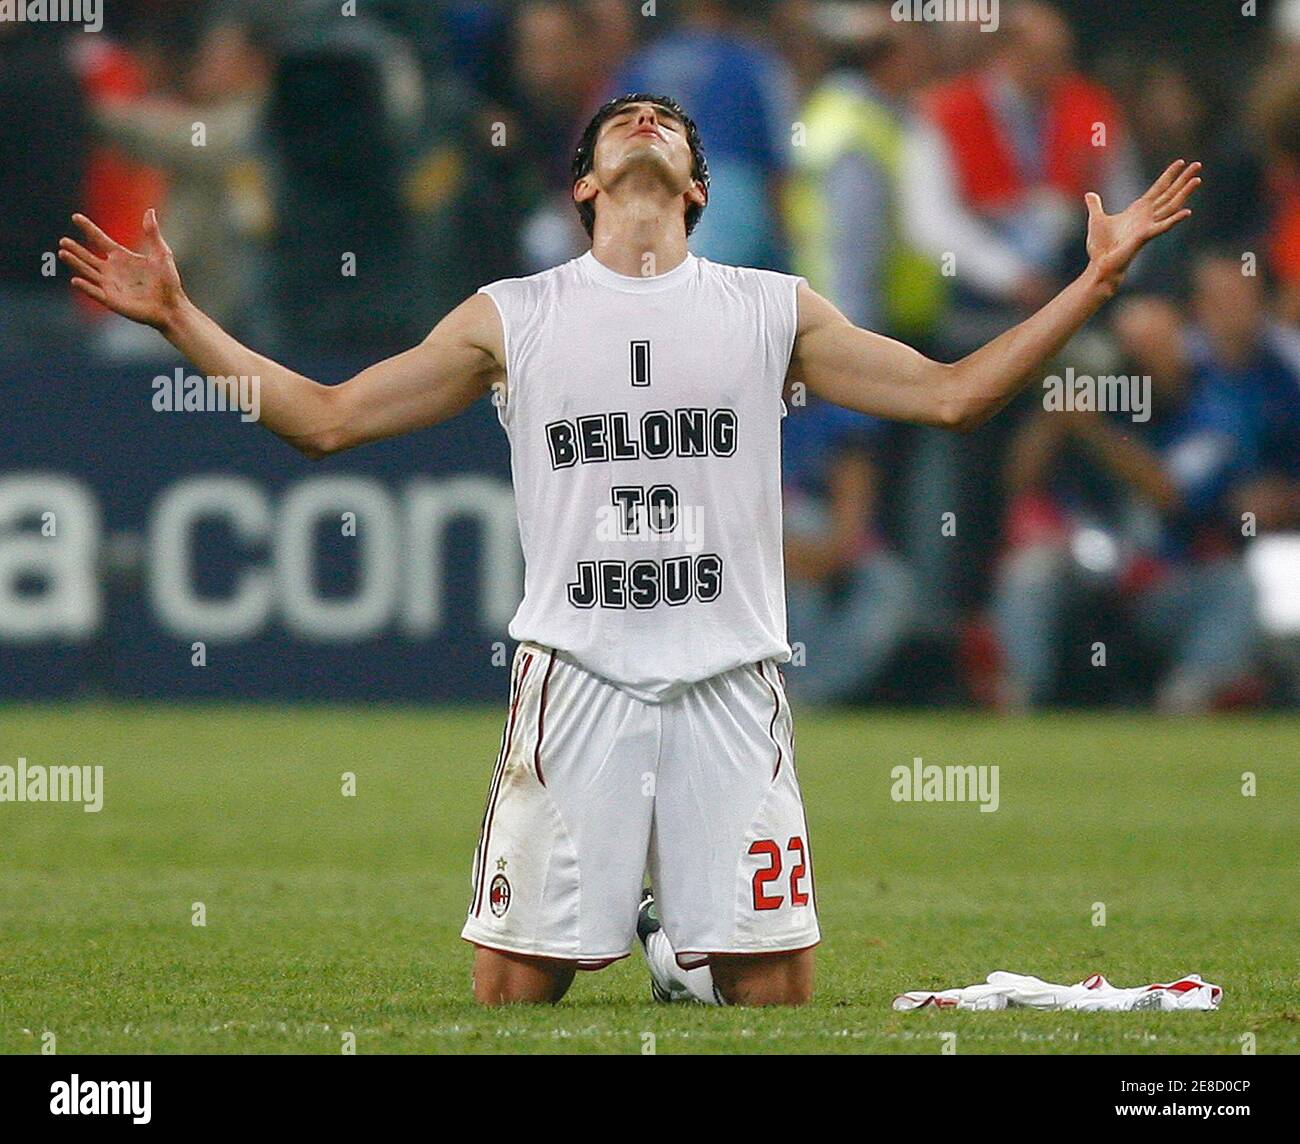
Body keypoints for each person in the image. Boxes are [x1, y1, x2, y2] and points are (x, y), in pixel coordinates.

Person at [59, 95, 1201, 1006]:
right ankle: (662, 940)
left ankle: (681, 959)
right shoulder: (513, 313)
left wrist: (1092, 281)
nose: (647, 118)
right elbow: (326, 418)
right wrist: (180, 321)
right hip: (579, 677)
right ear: (586, 184)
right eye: (625, 119)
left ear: (697, 189)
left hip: (727, 679)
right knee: (509, 994)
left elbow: (952, 397)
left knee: (777, 994)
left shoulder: (768, 307)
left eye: (670, 123)